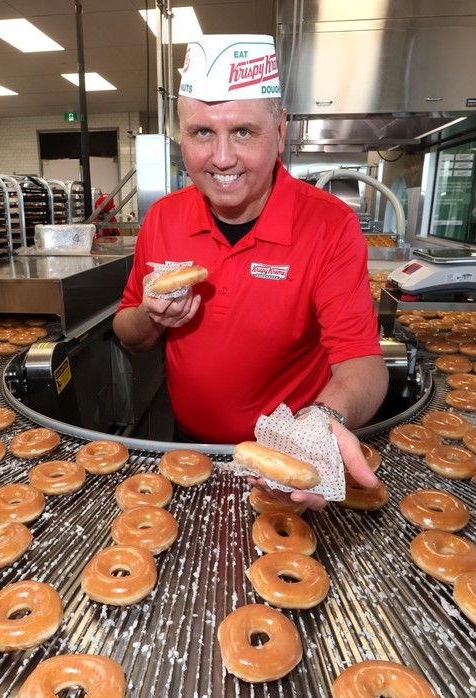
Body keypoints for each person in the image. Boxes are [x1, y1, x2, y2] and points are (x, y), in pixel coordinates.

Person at [113, 34, 388, 510]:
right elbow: (128, 332)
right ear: (182, 136)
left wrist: (320, 425)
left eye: (243, 131)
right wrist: (153, 316)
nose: (221, 158)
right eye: (201, 133)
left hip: (292, 460)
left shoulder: (328, 225)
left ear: (279, 132)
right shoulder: (163, 218)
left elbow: (362, 360)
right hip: (191, 452)